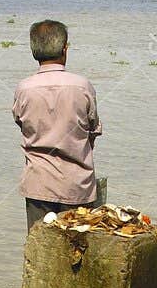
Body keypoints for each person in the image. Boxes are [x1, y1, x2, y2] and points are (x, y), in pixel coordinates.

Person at [12, 19, 101, 231]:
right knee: (78, 252)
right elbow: (93, 129)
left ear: (34, 51)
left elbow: (21, 123)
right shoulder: (82, 85)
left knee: (41, 251)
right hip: (77, 183)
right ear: (65, 49)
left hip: (38, 183)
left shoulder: (24, 89)